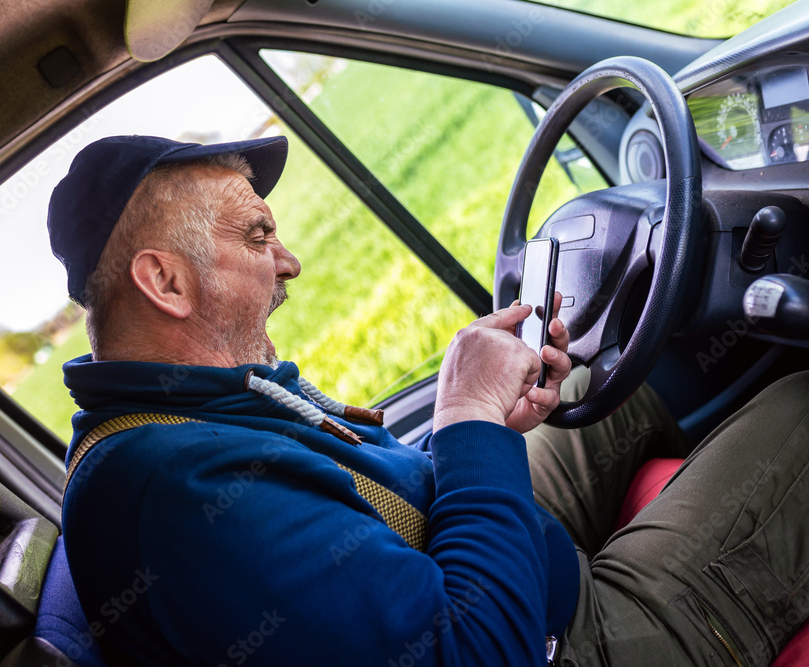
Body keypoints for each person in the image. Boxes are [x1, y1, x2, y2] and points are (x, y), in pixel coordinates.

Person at [49, 134, 809, 666]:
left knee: (602, 374)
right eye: (256, 236)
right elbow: (476, 651)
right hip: (570, 640)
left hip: (486, 570)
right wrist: (469, 420)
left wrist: (488, 418)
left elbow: (374, 508)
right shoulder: (173, 497)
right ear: (166, 282)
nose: (291, 263)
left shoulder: (192, 408)